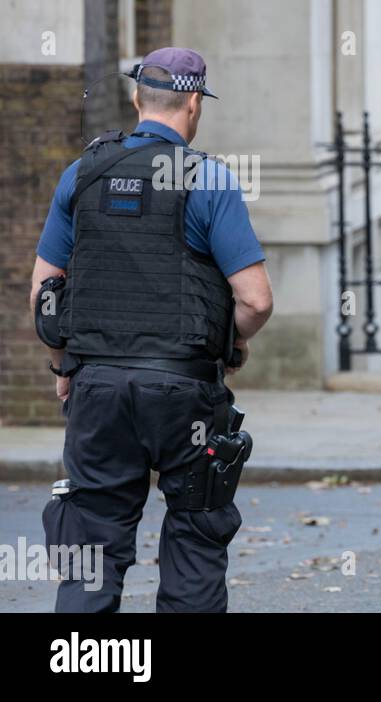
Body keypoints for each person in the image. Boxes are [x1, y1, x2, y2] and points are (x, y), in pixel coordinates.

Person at [29, 47, 273, 612]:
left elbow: (44, 294)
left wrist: (66, 364)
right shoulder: (208, 179)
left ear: (138, 98)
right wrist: (229, 344)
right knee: (195, 535)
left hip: (99, 391)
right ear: (194, 103)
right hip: (184, 391)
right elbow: (255, 300)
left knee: (91, 548)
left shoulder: (82, 172)